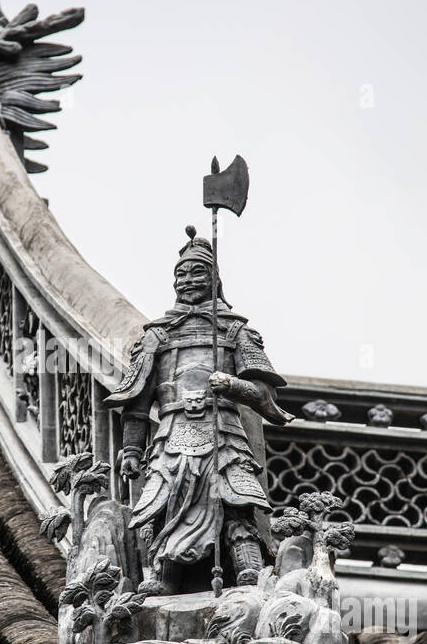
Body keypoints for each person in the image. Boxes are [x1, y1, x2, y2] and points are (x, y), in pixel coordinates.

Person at [107, 227, 292, 592]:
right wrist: (131, 448)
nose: (187, 281)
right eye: (181, 274)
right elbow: (138, 402)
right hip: (171, 434)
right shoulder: (157, 335)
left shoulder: (235, 331)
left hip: (222, 428)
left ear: (214, 279)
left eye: (197, 273)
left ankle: (248, 571)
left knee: (234, 499)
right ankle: (162, 578)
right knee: (165, 501)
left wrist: (233, 385)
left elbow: (264, 395)